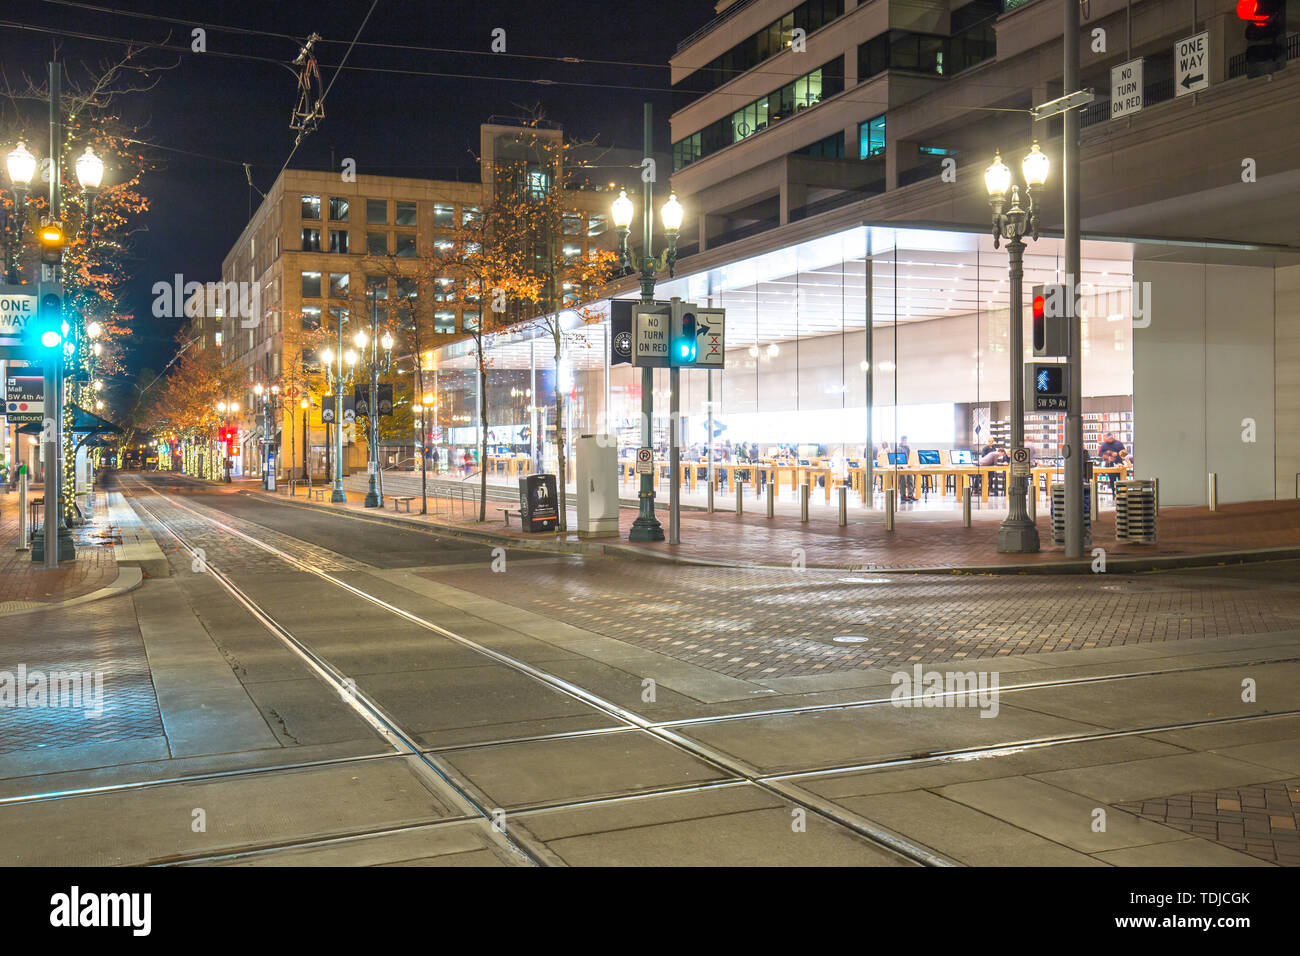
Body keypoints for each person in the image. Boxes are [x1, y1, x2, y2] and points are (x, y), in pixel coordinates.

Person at [897, 435, 916, 501]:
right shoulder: (899, 448)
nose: (905, 441)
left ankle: (910, 495)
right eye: (904, 440)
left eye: (906, 440)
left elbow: (911, 456)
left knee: (910, 480)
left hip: (908, 466)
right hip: (902, 467)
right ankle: (903, 496)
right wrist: (901, 466)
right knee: (903, 481)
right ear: (901, 440)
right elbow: (899, 458)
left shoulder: (907, 447)